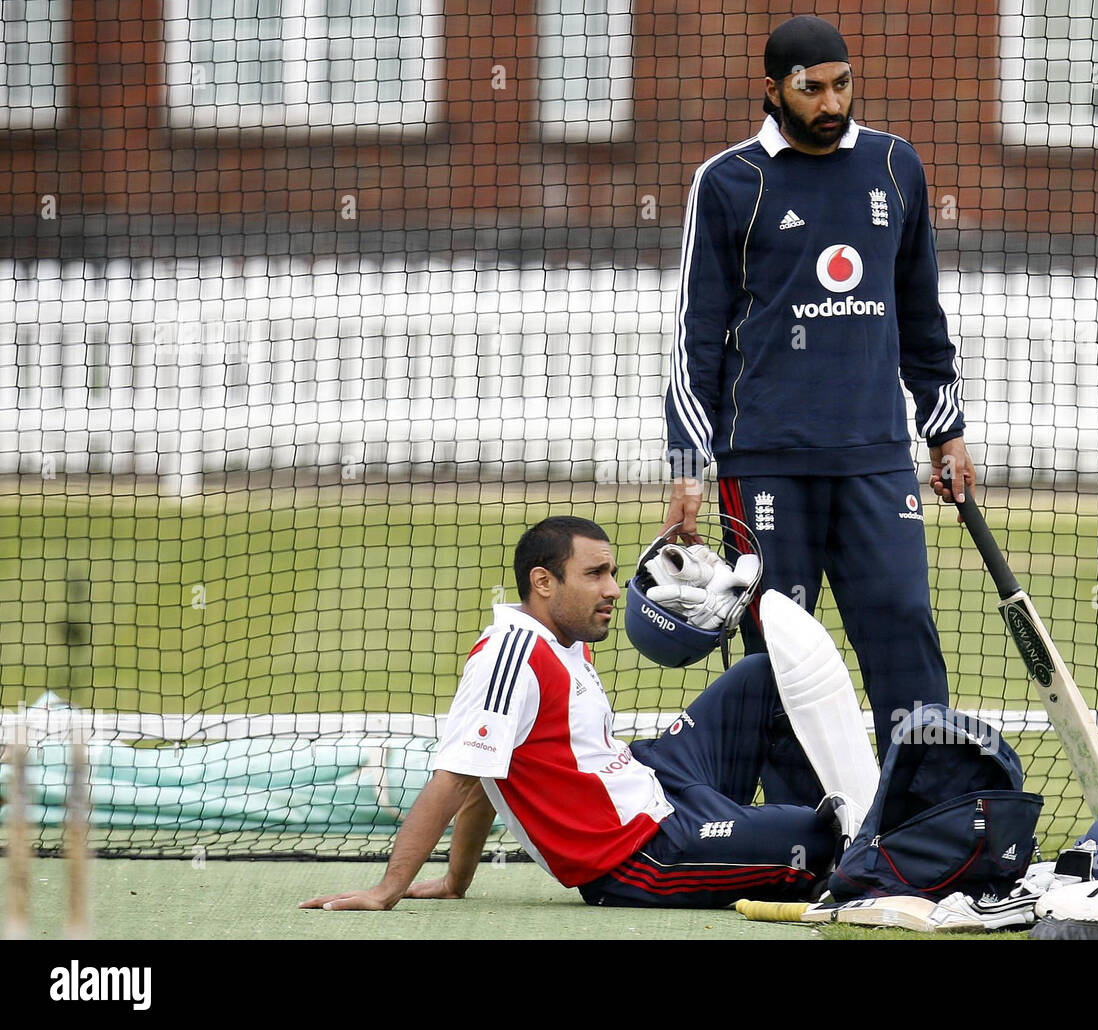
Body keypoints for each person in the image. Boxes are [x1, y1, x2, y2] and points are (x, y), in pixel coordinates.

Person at [663, 14, 976, 755]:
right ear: (772, 89)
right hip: (764, 457)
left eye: (842, 86)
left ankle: (918, 815)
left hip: (874, 457)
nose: (831, 104)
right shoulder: (728, 181)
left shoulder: (897, 167)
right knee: (781, 650)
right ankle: (802, 832)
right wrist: (686, 465)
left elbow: (919, 313)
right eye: (811, 90)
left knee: (902, 620)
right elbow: (695, 335)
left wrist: (947, 431)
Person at [301, 516, 836, 911]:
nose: (612, 589)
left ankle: (756, 834)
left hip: (657, 778)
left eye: (611, 573)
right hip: (634, 855)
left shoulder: (565, 638)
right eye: (595, 574)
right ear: (543, 582)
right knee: (809, 838)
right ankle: (800, 854)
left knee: (760, 676)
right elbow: (458, 778)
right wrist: (387, 890)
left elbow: (490, 772)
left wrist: (455, 880)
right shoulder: (508, 661)